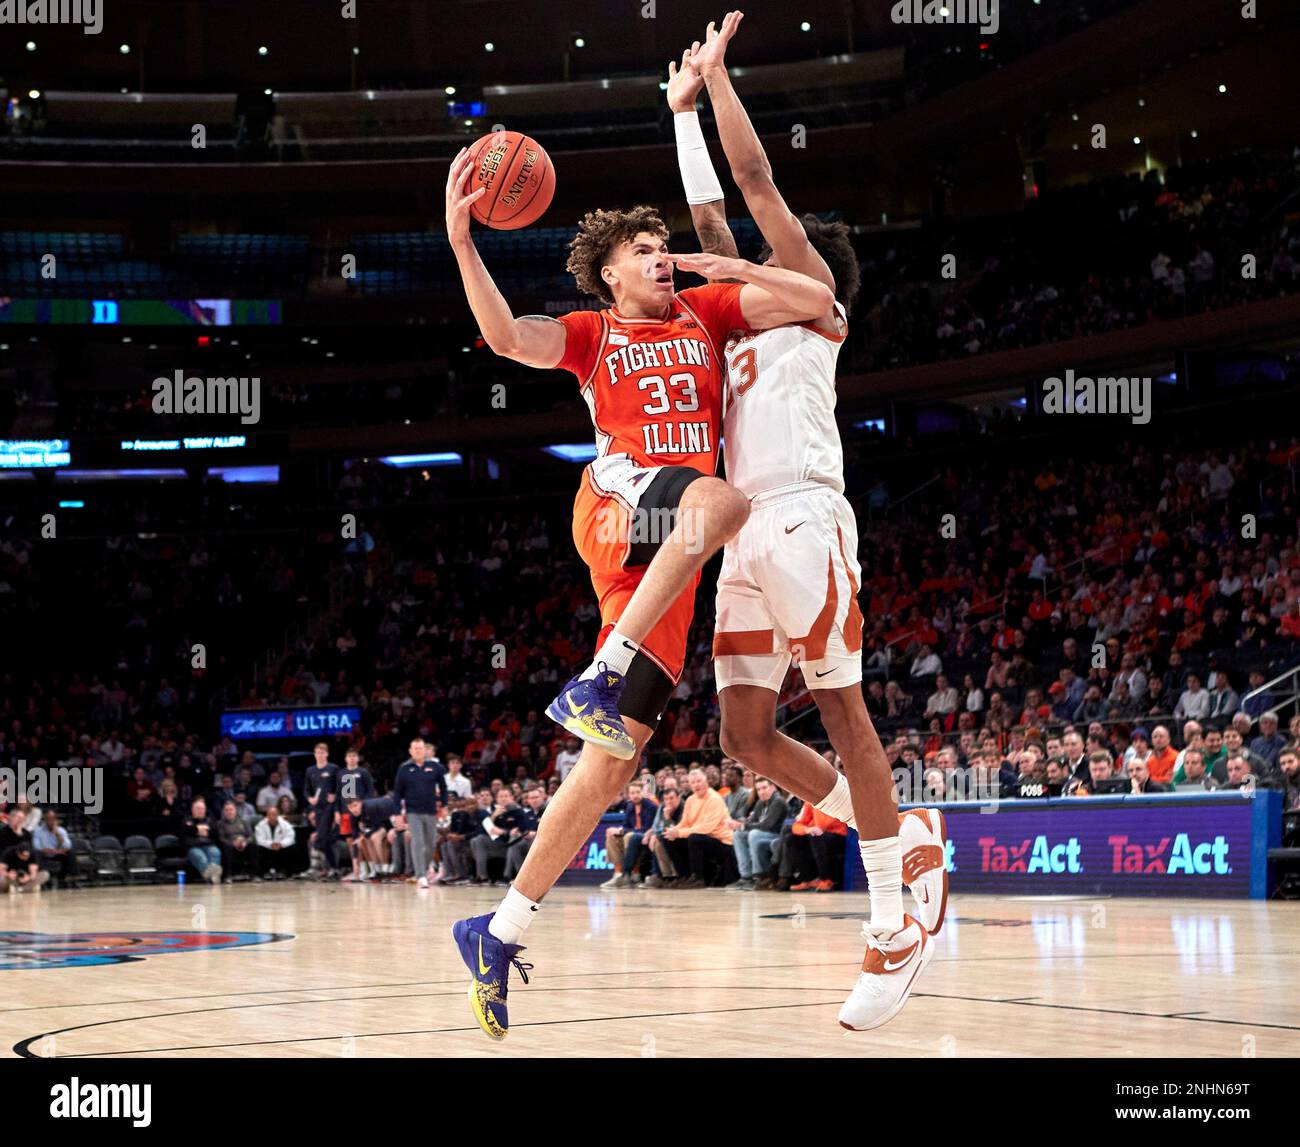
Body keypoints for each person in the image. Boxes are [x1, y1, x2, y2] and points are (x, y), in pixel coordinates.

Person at [446, 90, 838, 1041]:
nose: (661, 255)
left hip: (662, 568)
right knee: (721, 498)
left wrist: (721, 260)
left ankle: (497, 928)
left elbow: (818, 300)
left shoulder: (704, 310)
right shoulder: (593, 336)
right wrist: (464, 241)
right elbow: (505, 338)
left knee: (609, 771)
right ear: (607, 274)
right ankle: (597, 674)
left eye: (664, 245)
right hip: (621, 506)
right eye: (644, 250)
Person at [666, 12, 944, 1030]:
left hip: (803, 519)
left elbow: (754, 189)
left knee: (843, 713)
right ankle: (903, 830)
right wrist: (680, 112)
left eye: (768, 257)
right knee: (743, 734)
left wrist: (723, 79)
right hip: (742, 525)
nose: (746, 256)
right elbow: (710, 216)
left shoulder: (816, 302)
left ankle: (893, 923)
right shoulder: (741, 310)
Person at [393, 737, 448, 888]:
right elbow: (397, 793)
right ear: (410, 751)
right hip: (413, 812)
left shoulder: (435, 767)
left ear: (425, 750)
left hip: (431, 811)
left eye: (420, 748)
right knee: (417, 842)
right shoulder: (404, 769)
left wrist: (444, 805)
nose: (418, 751)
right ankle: (421, 875)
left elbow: (443, 788)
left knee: (430, 844)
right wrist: (398, 813)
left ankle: (422, 869)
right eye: (415, 748)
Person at [728, 777, 788, 890]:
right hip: (764, 834)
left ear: (773, 787)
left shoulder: (778, 801)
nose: (761, 792)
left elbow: (768, 825)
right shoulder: (761, 803)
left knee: (754, 834)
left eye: (764, 788)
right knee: (738, 835)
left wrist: (743, 826)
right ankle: (746, 876)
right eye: (759, 789)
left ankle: (758, 875)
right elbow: (752, 822)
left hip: (777, 835)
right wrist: (738, 824)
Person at [601, 779, 658, 888]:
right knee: (612, 836)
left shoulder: (651, 807)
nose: (635, 795)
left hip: (646, 839)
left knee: (629, 836)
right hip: (633, 836)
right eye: (632, 793)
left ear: (643, 793)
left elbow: (647, 829)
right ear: (629, 795)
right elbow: (626, 825)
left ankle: (634, 874)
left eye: (638, 792)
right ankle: (618, 874)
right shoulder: (630, 806)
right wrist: (618, 831)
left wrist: (622, 831)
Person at [303, 742, 341, 878]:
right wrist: (310, 800)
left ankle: (315, 867)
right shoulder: (310, 770)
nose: (319, 755)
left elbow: (343, 787)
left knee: (319, 838)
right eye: (317, 753)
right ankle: (333, 868)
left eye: (322, 752)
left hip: (330, 808)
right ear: (314, 754)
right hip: (317, 808)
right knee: (326, 840)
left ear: (327, 754)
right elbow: (306, 790)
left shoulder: (334, 768)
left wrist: (336, 796)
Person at [216, 801, 259, 881]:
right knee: (226, 847)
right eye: (227, 810)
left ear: (235, 810)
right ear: (224, 812)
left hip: (244, 844)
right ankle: (227, 876)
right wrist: (233, 843)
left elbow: (251, 836)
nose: (229, 812)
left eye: (231, 810)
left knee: (254, 846)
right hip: (230, 845)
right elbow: (221, 838)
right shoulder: (220, 824)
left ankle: (254, 875)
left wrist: (245, 842)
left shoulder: (244, 822)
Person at [183, 797, 222, 883]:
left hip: (209, 845)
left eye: (202, 809)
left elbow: (215, 833)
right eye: (198, 808)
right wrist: (197, 829)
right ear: (192, 810)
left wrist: (204, 832)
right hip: (193, 846)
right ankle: (212, 877)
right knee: (200, 857)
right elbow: (185, 831)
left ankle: (211, 876)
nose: (200, 810)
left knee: (215, 852)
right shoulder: (187, 819)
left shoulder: (210, 820)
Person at [31, 810, 73, 888]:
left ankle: (67, 878)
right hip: (44, 854)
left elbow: (68, 846)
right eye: (48, 819)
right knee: (37, 853)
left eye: (52, 819)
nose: (50, 821)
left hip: (56, 854)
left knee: (70, 852)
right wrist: (51, 851)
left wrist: (58, 835)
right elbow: (36, 846)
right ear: (44, 820)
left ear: (55, 820)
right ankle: (42, 879)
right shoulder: (38, 831)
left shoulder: (61, 830)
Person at [254, 805, 296, 879]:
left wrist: (281, 844)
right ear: (267, 815)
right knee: (258, 848)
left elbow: (290, 837)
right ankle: (265, 872)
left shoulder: (285, 824)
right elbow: (259, 839)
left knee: (291, 846)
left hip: (281, 847)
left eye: (274, 814)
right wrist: (271, 844)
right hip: (266, 848)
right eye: (270, 814)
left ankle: (283, 871)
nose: (272, 816)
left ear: (278, 815)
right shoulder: (260, 825)